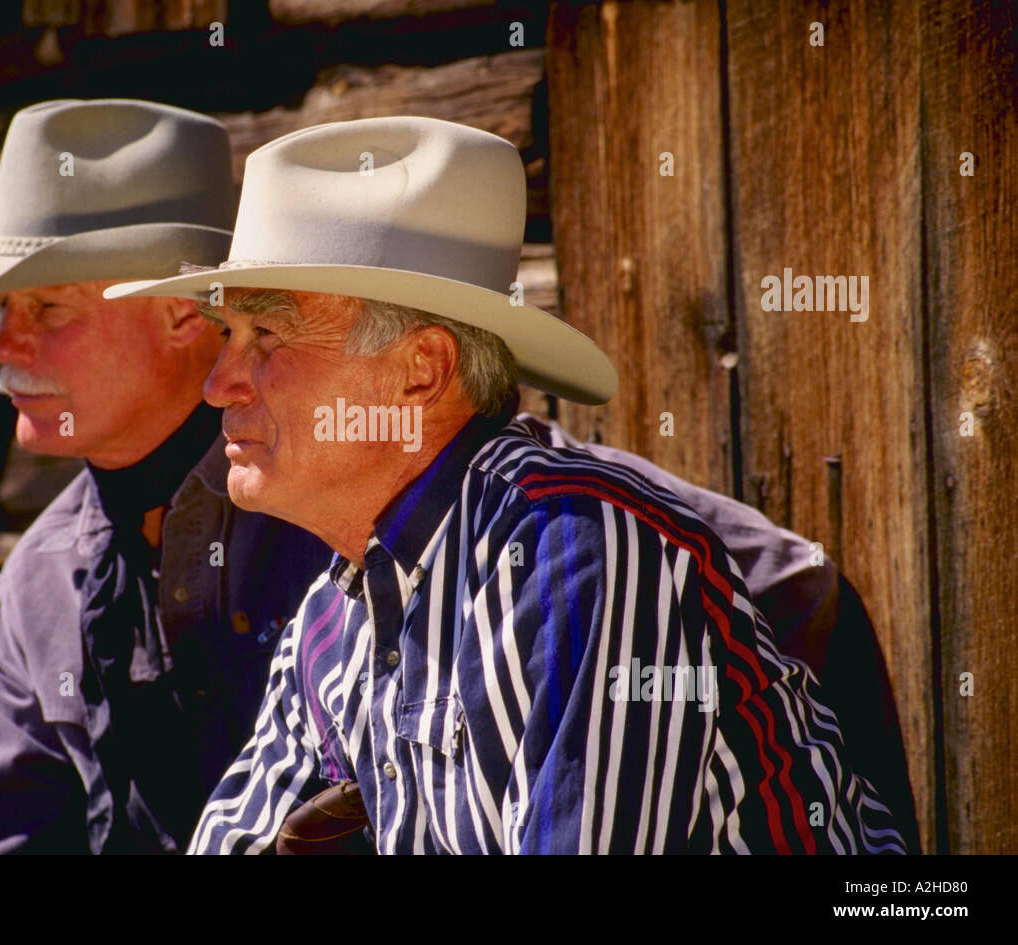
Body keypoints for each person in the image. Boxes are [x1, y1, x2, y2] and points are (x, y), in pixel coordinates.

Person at [107, 115, 910, 853]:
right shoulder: (330, 622)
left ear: (419, 372)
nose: (218, 384)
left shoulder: (582, 557)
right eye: (227, 334)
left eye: (267, 335)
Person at [0, 98, 330, 853]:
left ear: (184, 315)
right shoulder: (38, 589)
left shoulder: (342, 512)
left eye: (49, 311)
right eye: (3, 308)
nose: (2, 345)